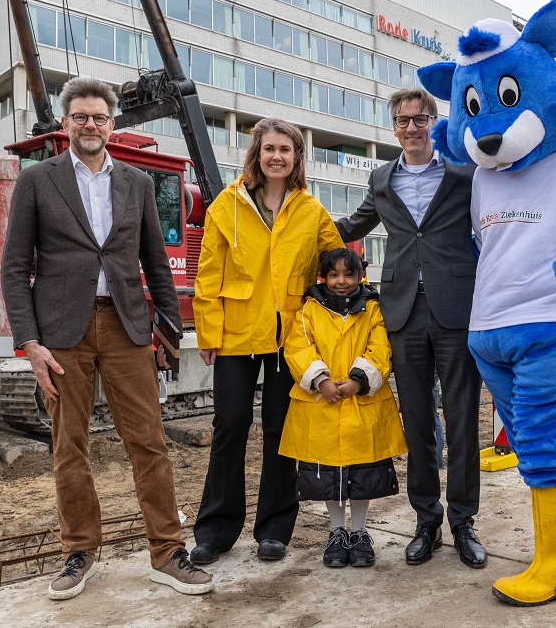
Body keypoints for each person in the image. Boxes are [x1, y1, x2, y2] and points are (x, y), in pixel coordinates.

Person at [2, 76, 213, 600]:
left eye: (99, 117)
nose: (90, 125)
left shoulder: (138, 183)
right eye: (80, 117)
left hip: (125, 326)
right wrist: (29, 342)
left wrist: (166, 332)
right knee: (68, 445)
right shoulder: (38, 181)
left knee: (148, 441)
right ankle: (80, 552)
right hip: (61, 334)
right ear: (66, 123)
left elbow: (155, 266)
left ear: (111, 123)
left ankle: (167, 552)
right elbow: (13, 269)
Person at [336, 88, 486, 568]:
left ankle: (464, 522)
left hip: (457, 307)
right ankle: (427, 523)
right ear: (393, 127)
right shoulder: (381, 178)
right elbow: (352, 227)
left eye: (420, 120)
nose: (411, 128)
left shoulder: (465, 173)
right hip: (401, 311)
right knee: (417, 422)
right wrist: (295, 224)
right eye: (402, 121)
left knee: (462, 420)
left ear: (433, 122)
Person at [190, 117, 343, 565]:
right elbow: (207, 273)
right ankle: (216, 531)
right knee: (230, 426)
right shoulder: (226, 205)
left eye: (286, 150)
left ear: (296, 158)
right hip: (236, 334)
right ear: (256, 154)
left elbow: (335, 266)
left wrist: (341, 315)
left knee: (280, 432)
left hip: (288, 337)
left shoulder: (311, 211)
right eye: (269, 149)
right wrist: (208, 332)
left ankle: (274, 529)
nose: (277, 156)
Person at [279, 248, 408, 568]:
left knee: (361, 471)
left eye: (349, 275)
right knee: (329, 474)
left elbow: (380, 348)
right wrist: (320, 379)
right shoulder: (309, 310)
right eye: (334, 274)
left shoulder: (372, 309)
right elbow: (298, 347)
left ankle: (360, 532)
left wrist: (359, 379)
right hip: (323, 404)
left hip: (360, 403)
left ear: (360, 276)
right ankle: (337, 532)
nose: (341, 281)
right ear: (323, 276)